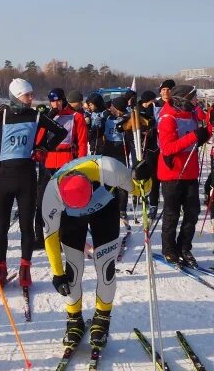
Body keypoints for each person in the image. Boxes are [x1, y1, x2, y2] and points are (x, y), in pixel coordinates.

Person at [0, 78, 68, 288]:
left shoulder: (36, 115)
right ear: (16, 96)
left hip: (27, 176)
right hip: (3, 176)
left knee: (26, 226)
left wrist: (43, 149)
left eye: (30, 95)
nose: (31, 99)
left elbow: (61, 131)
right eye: (27, 95)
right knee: (0, 226)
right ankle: (1, 269)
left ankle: (25, 267)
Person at [43, 155, 152, 346]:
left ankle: (102, 319)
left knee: (106, 268)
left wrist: (145, 176)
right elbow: (50, 237)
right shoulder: (51, 193)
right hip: (71, 217)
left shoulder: (110, 169)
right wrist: (57, 274)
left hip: (104, 208)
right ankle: (73, 319)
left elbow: (142, 190)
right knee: (72, 272)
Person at [156, 85, 210, 266]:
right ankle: (169, 250)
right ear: (184, 99)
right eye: (194, 98)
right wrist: (194, 136)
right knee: (172, 214)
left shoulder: (192, 113)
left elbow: (198, 135)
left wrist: (205, 132)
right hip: (173, 174)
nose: (197, 101)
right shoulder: (167, 117)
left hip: (190, 172)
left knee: (192, 213)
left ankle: (184, 247)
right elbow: (167, 148)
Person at [35, 88, 88, 246]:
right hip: (48, 159)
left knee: (65, 201)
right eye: (53, 101)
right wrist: (47, 120)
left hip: (67, 160)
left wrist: (81, 163)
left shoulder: (76, 116)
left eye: (58, 100)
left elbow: (83, 142)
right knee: (42, 198)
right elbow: (38, 139)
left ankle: (65, 236)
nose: (56, 104)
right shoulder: (46, 116)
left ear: (64, 100)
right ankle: (39, 235)